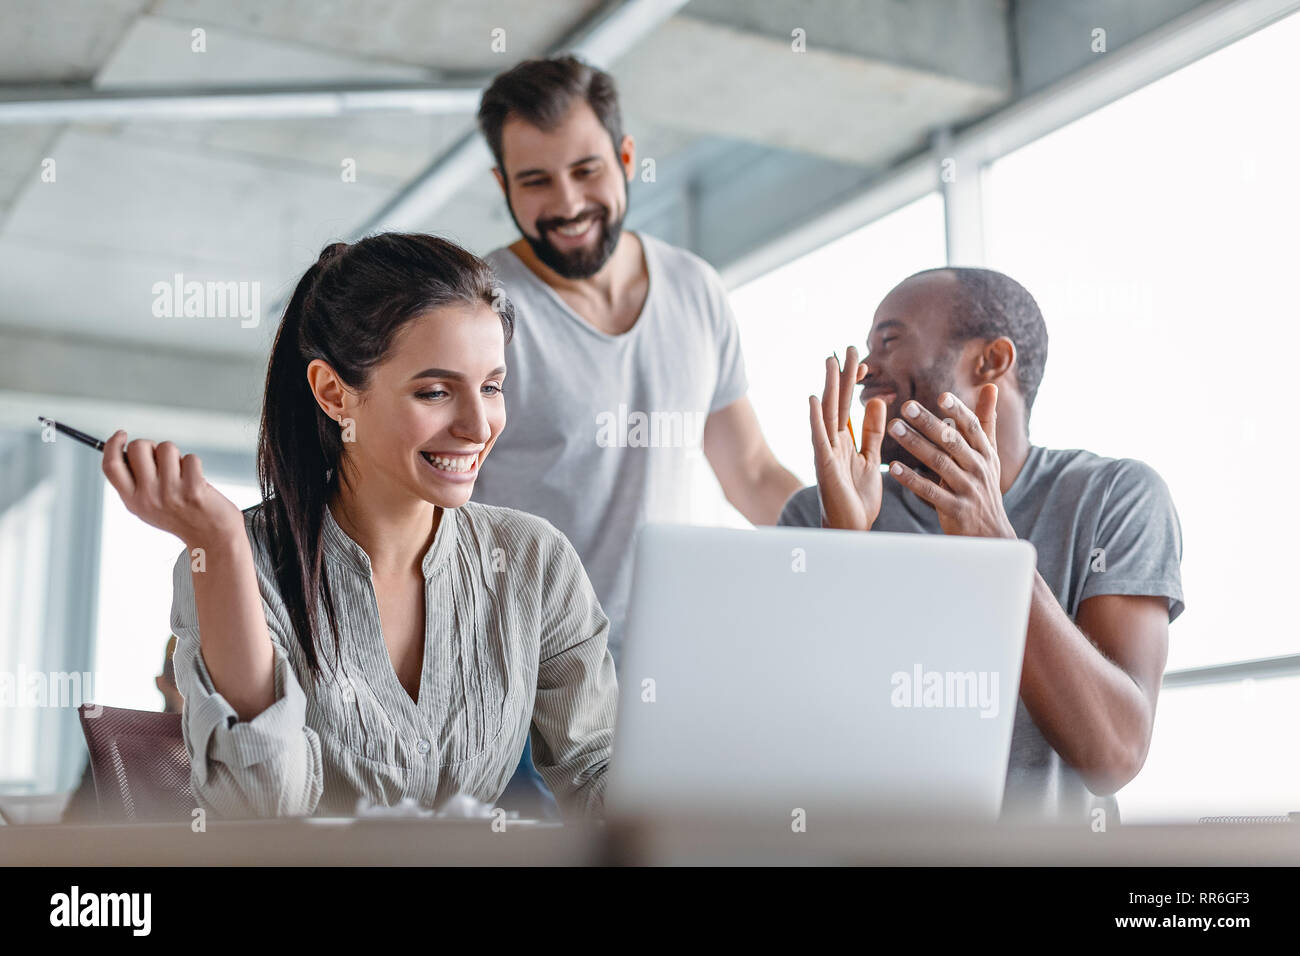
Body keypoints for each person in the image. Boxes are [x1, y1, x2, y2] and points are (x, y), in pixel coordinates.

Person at [100, 233, 617, 820]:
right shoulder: (236, 562)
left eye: (492, 386)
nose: (479, 425)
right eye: (436, 391)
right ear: (333, 393)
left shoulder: (535, 561)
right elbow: (262, 809)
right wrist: (219, 544)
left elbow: (597, 776)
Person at [780, 267, 1184, 823]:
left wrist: (998, 551)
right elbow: (799, 752)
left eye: (889, 340)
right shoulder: (817, 512)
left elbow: (1112, 753)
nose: (866, 368)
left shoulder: (1115, 497)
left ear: (991, 361)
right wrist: (846, 550)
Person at [471, 55, 803, 665]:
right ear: (504, 186)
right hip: (532, 678)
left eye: (586, 170)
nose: (568, 203)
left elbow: (751, 473)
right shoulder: (478, 309)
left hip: (681, 657)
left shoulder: (695, 287)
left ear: (626, 159)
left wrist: (851, 544)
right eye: (536, 180)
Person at [61, 635, 184, 823]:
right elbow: (75, 825)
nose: (190, 695)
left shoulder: (222, 758)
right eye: (180, 681)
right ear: (161, 683)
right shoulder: (116, 752)